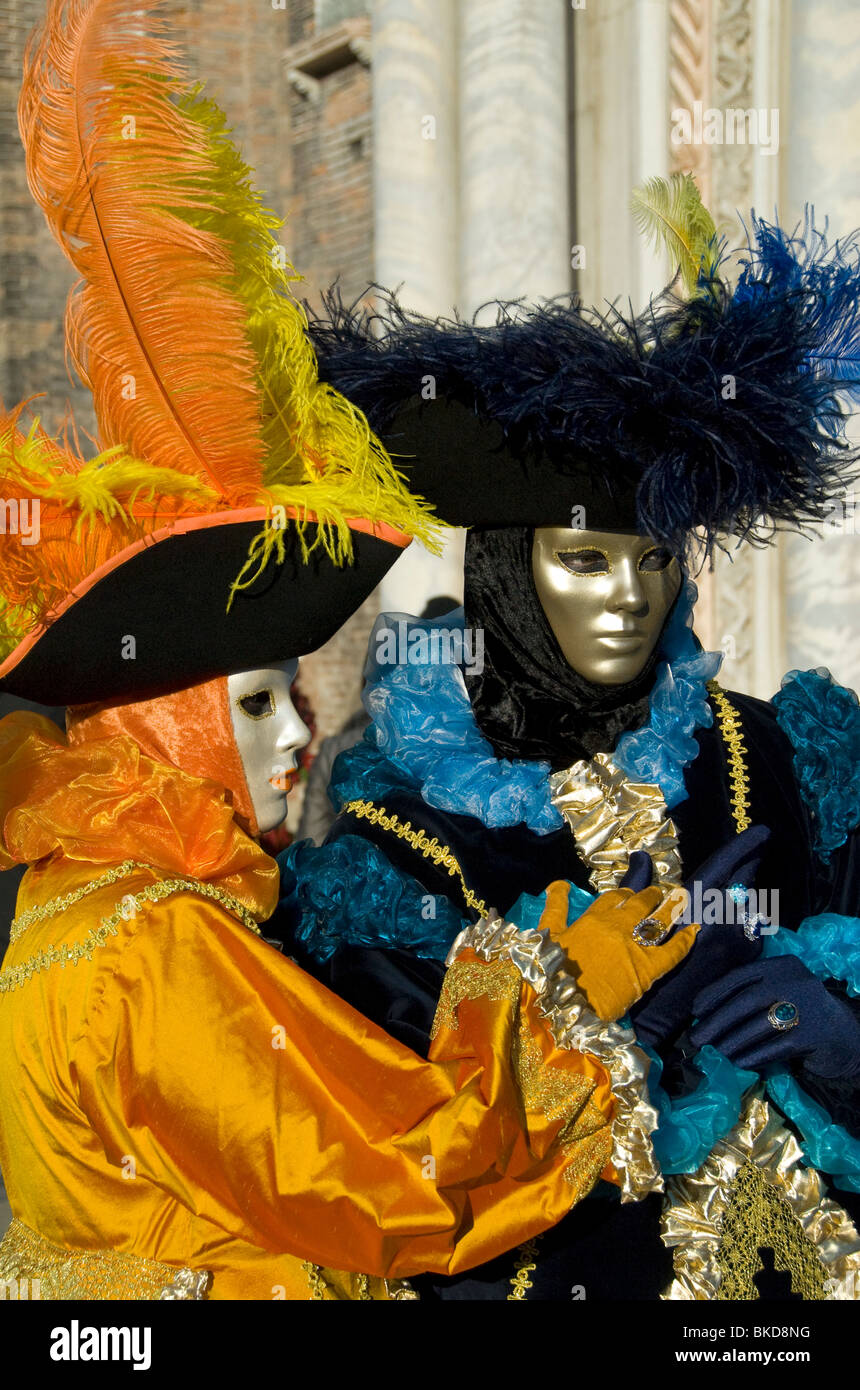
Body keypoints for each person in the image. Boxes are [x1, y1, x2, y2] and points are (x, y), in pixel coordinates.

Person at [0, 0, 688, 1301]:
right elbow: (410, 1180)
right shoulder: (156, 945)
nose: (301, 733)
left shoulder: (73, 902)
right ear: (164, 719)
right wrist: (561, 983)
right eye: (254, 701)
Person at [278, 180, 860, 1299]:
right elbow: (390, 1175)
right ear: (503, 574)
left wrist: (837, 1043)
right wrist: (598, 1034)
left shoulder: (789, 767)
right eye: (584, 560)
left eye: (650, 561)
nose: (626, 597)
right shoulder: (401, 848)